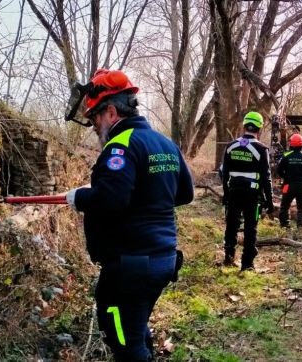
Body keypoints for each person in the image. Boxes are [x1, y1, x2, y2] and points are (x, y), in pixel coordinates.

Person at [64, 69, 194, 362]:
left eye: (95, 117)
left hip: (131, 267)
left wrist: (80, 196)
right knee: (134, 327)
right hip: (162, 260)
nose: (94, 126)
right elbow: (184, 193)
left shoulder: (120, 145)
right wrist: (145, 195)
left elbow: (111, 200)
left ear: (110, 111)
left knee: (123, 340)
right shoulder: (164, 143)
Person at [221, 111, 274, 270]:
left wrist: (226, 193)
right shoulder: (261, 149)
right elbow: (266, 177)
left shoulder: (231, 146)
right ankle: (247, 264)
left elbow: (224, 174)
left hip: (234, 193)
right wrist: (269, 201)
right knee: (251, 228)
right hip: (252, 196)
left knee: (231, 225)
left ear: (244, 126)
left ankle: (229, 258)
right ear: (259, 128)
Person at [276, 133, 302, 228]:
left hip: (288, 185)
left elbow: (279, 170)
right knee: (301, 208)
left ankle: (285, 227)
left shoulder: (286, 156)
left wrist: (285, 177)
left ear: (291, 144)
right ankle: (300, 228)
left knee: (284, 207)